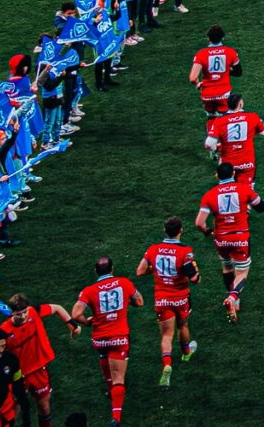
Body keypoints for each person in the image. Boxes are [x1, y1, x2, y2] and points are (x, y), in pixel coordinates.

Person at [68, 258, 140, 424]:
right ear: (112, 269)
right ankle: (116, 417)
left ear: (96, 271)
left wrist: (88, 322)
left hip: (99, 340)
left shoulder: (89, 290)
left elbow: (75, 314)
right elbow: (139, 302)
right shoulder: (124, 283)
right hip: (119, 338)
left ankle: (110, 391)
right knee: (118, 378)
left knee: (104, 358)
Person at [136, 217, 201, 387]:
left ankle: (167, 365)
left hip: (162, 298)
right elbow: (193, 278)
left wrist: (155, 270)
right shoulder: (185, 251)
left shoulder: (153, 249)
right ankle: (186, 353)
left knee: (166, 334)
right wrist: (197, 276)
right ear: (181, 231)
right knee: (183, 325)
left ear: (165, 231)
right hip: (180, 297)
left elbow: (140, 271)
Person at [0, 293, 75, 427]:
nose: (22, 316)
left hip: (38, 370)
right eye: (18, 314)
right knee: (12, 412)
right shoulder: (4, 331)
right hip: (18, 376)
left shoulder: (34, 312)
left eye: (24, 312)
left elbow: (57, 308)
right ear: (11, 312)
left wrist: (71, 324)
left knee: (44, 408)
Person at [194, 163, 253, 320]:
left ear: (217, 176)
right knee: (242, 271)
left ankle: (235, 301)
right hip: (239, 238)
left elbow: (199, 223)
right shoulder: (243, 189)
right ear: (233, 173)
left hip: (221, 239)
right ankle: (233, 297)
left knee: (227, 267)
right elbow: (261, 206)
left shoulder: (209, 195)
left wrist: (207, 232)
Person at [189, 26, 240, 116]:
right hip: (224, 94)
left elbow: (193, 78)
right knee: (225, 121)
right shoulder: (230, 52)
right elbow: (238, 72)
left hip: (207, 95)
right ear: (222, 37)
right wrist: (226, 70)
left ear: (208, 38)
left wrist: (197, 84)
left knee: (211, 119)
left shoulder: (201, 54)